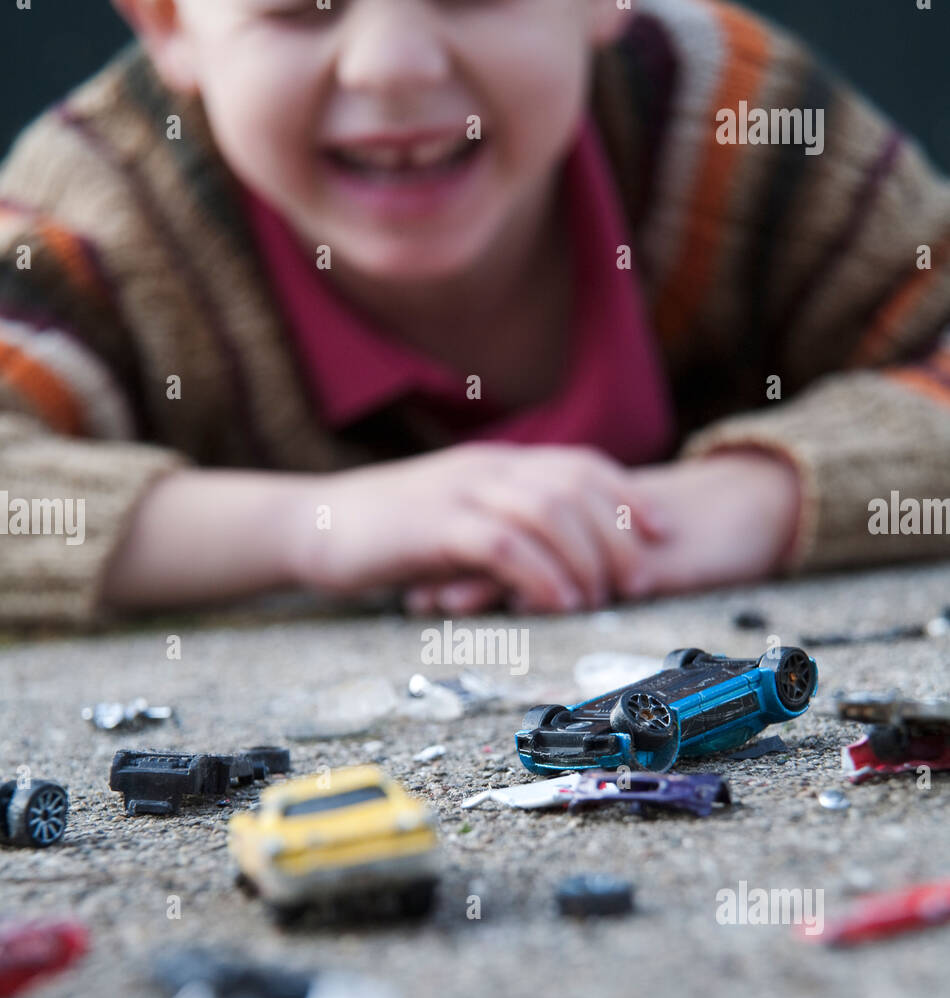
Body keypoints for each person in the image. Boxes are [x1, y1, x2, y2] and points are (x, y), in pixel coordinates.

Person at [1, 0, 948, 627]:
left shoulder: (727, 116)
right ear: (168, 23)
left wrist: (751, 499)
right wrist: (318, 527)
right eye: (301, 5)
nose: (392, 67)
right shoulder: (100, 203)